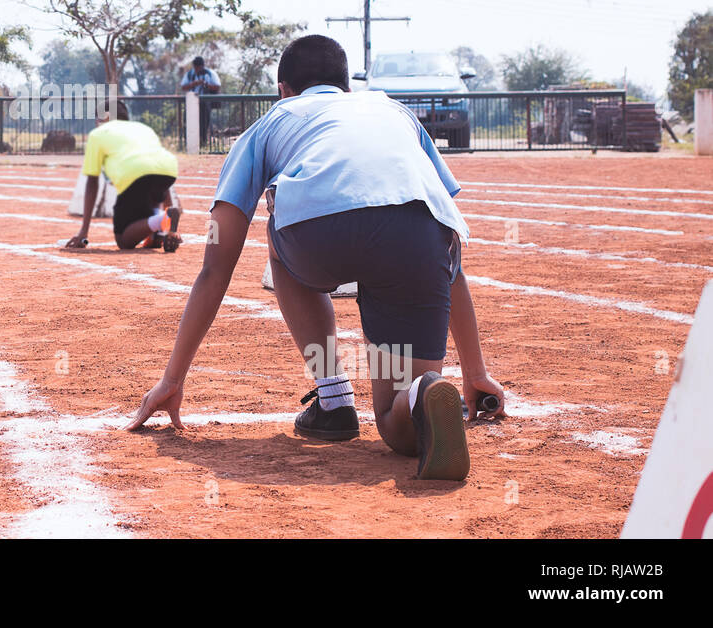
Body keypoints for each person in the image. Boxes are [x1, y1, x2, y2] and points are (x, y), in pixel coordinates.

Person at [127, 35, 505, 481]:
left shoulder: (272, 122)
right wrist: (475, 369)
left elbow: (215, 267)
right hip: (421, 236)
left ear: (283, 90)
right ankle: (423, 392)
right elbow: (449, 255)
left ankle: (334, 397)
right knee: (398, 425)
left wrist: (172, 379)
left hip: (316, 234)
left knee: (276, 233)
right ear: (348, 87)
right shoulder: (391, 110)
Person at [65, 101, 182, 252]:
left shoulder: (98, 134)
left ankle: (160, 221)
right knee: (153, 183)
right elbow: (159, 177)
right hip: (168, 170)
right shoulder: (144, 128)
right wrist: (170, 218)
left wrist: (84, 231)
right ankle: (160, 228)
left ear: (105, 117)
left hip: (135, 175)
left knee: (123, 240)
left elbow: (92, 182)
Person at [180, 55, 221, 146]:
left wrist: (205, 84)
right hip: (191, 102)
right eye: (195, 67)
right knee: (188, 122)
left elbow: (217, 86)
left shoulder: (210, 73)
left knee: (204, 122)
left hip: (205, 102)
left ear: (202, 66)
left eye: (199, 67)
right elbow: (183, 87)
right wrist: (194, 84)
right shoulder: (190, 74)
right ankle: (188, 143)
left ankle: (202, 143)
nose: (197, 69)